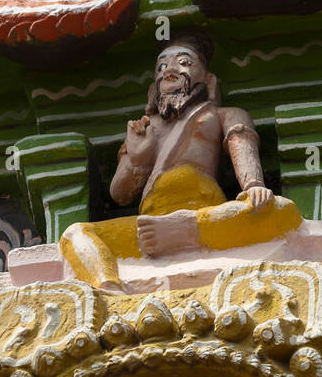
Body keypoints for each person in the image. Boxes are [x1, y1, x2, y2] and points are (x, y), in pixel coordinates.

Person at [60, 30, 300, 288]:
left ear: (209, 81)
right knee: (75, 235)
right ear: (153, 87)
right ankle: (108, 288)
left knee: (282, 211)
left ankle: (183, 231)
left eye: (184, 63)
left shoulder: (224, 115)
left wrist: (253, 186)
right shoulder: (144, 127)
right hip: (148, 227)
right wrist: (138, 158)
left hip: (203, 213)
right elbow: (119, 194)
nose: (169, 71)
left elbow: (242, 146)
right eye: (162, 66)